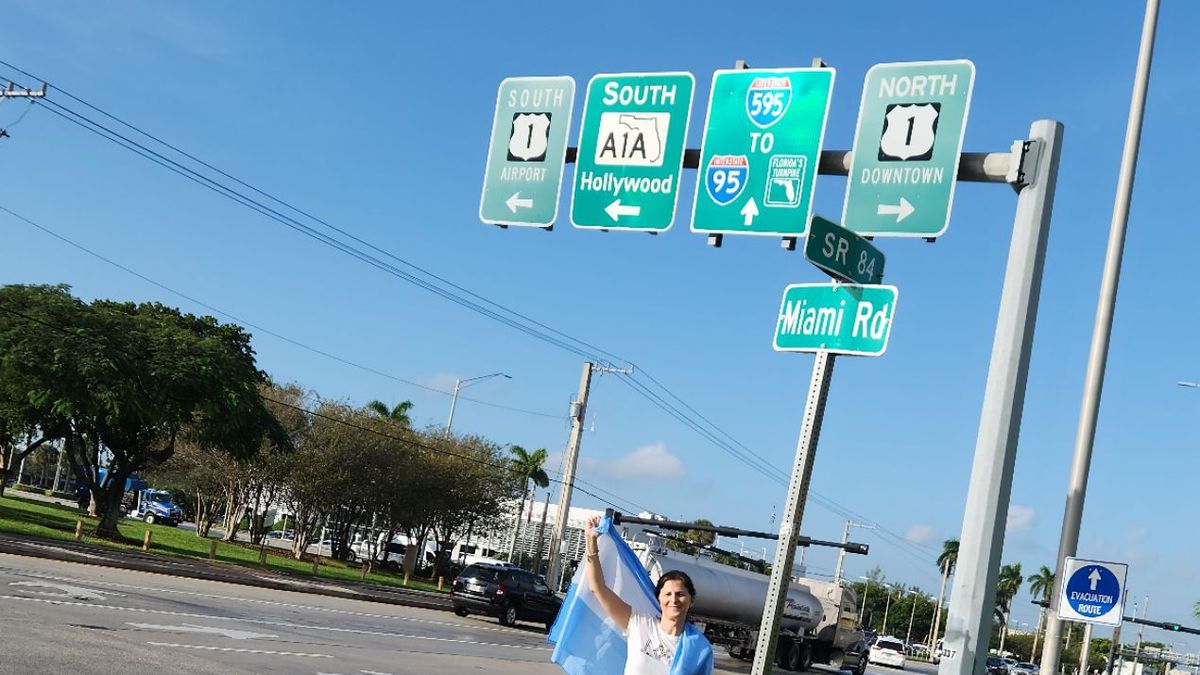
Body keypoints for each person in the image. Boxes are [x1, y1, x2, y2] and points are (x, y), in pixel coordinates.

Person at [583, 515, 713, 675]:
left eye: (680, 594)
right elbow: (598, 588)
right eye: (668, 594)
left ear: (691, 600)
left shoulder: (700, 648)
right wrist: (591, 541)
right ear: (659, 598)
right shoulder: (639, 623)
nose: (673, 599)